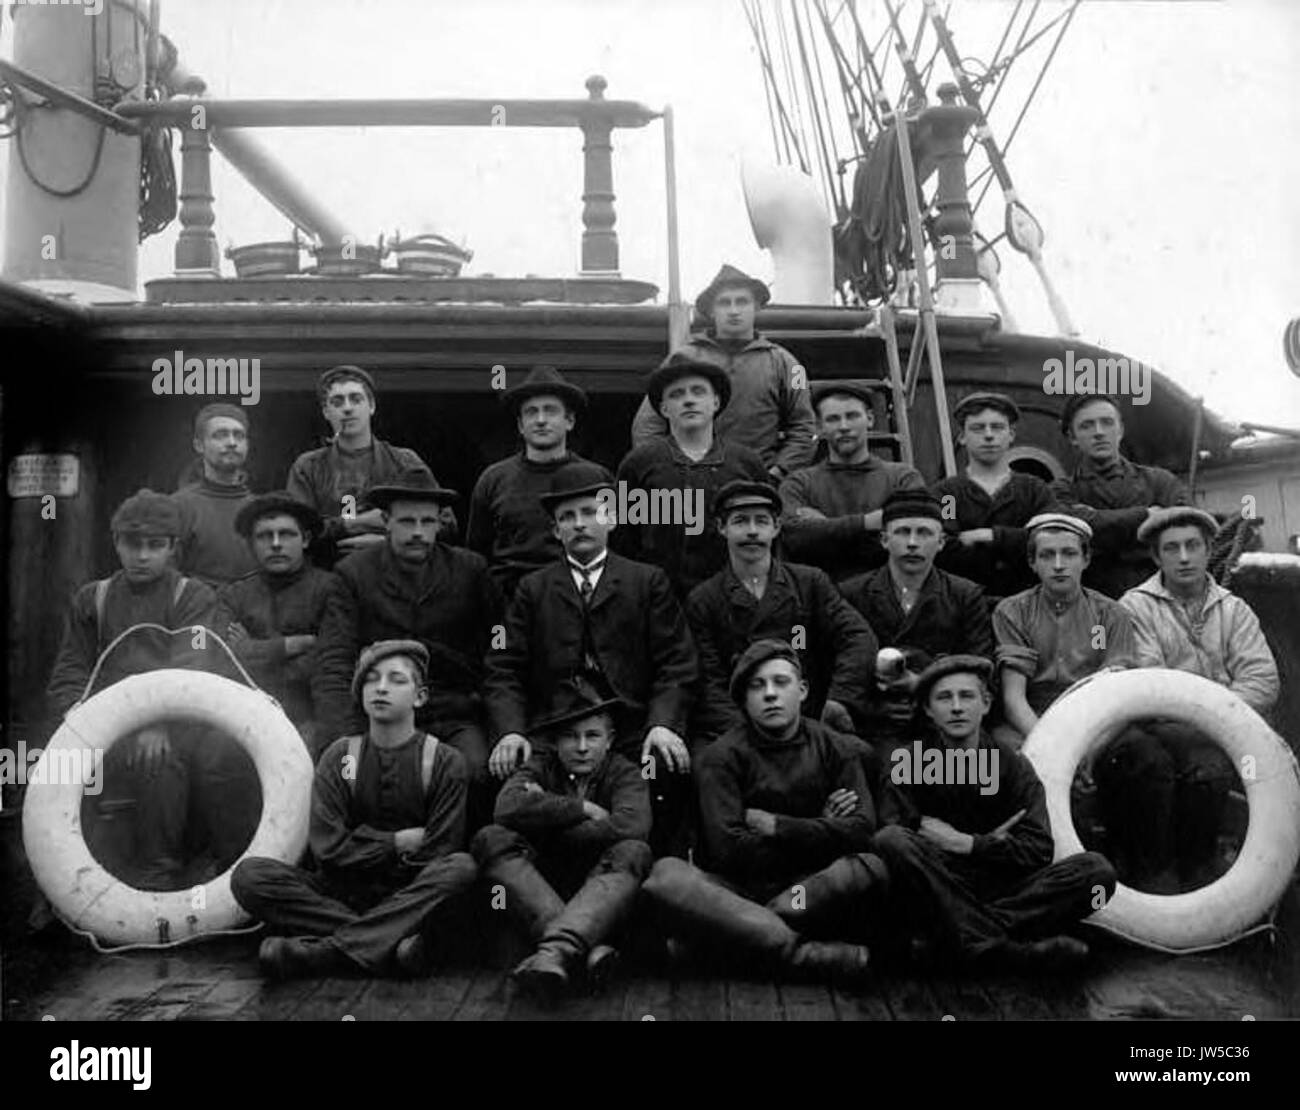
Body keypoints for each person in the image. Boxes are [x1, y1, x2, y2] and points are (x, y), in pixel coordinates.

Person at [232, 640, 477, 979]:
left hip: (412, 895)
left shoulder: (445, 762)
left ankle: (324, 953)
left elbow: (439, 852)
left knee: (460, 868)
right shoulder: (341, 758)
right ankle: (390, 943)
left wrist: (362, 846)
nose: (381, 688)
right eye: (371, 679)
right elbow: (328, 850)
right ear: (360, 693)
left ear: (419, 697)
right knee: (250, 877)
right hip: (343, 895)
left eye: (396, 680)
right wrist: (395, 843)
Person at [483, 471, 698, 855]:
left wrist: (662, 724)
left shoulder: (647, 582)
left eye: (590, 512)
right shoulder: (533, 589)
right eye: (567, 517)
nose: (579, 523)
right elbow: (504, 666)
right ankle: (548, 867)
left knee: (664, 767)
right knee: (509, 778)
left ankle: (653, 875)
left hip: (630, 729)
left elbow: (675, 662)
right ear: (555, 530)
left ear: (612, 518)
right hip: (552, 730)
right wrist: (511, 731)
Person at [642, 640, 881, 983]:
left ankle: (729, 941)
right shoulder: (719, 757)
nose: (770, 694)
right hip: (737, 893)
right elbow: (729, 852)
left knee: (868, 867)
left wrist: (780, 826)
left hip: (805, 893)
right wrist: (824, 828)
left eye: (780, 682)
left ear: (802, 690)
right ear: (743, 700)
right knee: (666, 876)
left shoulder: (836, 747)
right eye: (757, 686)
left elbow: (862, 830)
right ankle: (799, 953)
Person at [872, 655, 1117, 972]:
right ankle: (1007, 951)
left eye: (967, 696)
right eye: (944, 698)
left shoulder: (1011, 765)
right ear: (929, 711)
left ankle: (958, 939)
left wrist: (969, 844)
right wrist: (967, 847)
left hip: (1000, 886)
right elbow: (896, 835)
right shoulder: (907, 763)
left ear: (986, 704)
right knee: (891, 842)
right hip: (937, 886)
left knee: (1096, 872)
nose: (957, 707)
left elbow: (1040, 849)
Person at [45, 490, 225, 889]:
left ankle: (159, 870)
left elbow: (192, 668)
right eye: (133, 544)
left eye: (155, 546)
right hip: (101, 724)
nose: (143, 556)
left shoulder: (194, 597)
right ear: (116, 543)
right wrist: (83, 725)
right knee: (54, 763)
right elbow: (70, 672)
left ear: (173, 547)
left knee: (160, 760)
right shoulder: (92, 598)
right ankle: (63, 882)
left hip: (171, 724)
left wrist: (156, 724)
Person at [1098, 507, 1280, 891]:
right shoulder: (1134, 607)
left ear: (1208, 548)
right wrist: (1219, 703)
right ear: (1156, 556)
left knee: (1209, 768)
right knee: (1150, 764)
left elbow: (1262, 682)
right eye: (1172, 548)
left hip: (1218, 731)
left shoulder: (1234, 609)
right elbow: (1151, 686)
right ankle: (1155, 870)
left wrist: (1208, 714)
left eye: (1193, 546)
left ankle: (1199, 866)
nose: (1183, 557)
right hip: (1156, 728)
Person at [312, 472, 502, 822]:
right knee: (362, 780)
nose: (418, 532)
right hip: (376, 709)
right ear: (386, 521)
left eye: (427, 522)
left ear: (440, 523)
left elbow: (498, 646)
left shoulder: (470, 570)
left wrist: (497, 719)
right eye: (407, 521)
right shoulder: (352, 574)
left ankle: (460, 862)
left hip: (450, 710)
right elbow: (333, 661)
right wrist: (339, 743)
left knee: (474, 770)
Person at [471, 681, 652, 1001]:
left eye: (592, 736)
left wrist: (546, 821)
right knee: (491, 838)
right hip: (540, 888)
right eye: (570, 736)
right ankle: (583, 951)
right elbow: (506, 808)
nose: (581, 747)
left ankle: (554, 952)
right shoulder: (539, 767)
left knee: (634, 851)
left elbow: (633, 824)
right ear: (554, 742)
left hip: (600, 890)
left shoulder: (625, 773)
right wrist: (580, 808)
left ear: (609, 741)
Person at [686, 479, 877, 743]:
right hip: (740, 732)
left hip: (810, 720)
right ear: (722, 528)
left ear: (776, 528)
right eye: (741, 521)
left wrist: (838, 700)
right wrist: (745, 732)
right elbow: (708, 681)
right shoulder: (704, 600)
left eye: (761, 521)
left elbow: (858, 638)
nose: (752, 531)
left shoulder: (810, 583)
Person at [629, 264, 815, 479]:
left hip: (755, 486)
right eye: (724, 303)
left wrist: (778, 472)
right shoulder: (682, 358)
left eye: (742, 302)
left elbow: (805, 426)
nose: (734, 311)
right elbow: (647, 424)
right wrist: (664, 471)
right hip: (692, 481)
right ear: (711, 311)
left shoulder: (790, 365)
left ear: (756, 307)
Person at [839, 490, 993, 748]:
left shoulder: (965, 595)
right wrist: (873, 709)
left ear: (942, 542)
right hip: (872, 728)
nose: (912, 543)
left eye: (924, 533)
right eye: (902, 532)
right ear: (884, 539)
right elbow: (841, 667)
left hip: (946, 724)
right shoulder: (852, 594)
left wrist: (922, 685)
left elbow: (981, 667)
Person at [615, 352, 769, 596]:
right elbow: (623, 541)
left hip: (731, 599)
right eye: (677, 394)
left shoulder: (746, 463)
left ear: (716, 402)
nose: (688, 401)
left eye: (698, 392)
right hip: (659, 599)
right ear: (664, 408)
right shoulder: (640, 464)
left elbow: (767, 536)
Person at [465, 365, 614, 601]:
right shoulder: (494, 479)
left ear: (570, 421)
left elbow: (616, 548)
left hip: (578, 600)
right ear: (520, 425)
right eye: (531, 412)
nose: (541, 420)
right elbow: (477, 552)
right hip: (511, 603)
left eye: (551, 411)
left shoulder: (598, 479)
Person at [214, 492, 343, 756]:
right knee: (211, 761)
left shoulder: (331, 590)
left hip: (310, 715)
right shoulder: (233, 595)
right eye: (264, 536)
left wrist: (251, 648)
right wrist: (288, 646)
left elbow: (331, 663)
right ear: (251, 544)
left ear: (305, 540)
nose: (275, 544)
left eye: (286, 534)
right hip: (245, 715)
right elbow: (221, 659)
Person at [287, 365, 456, 564]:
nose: (347, 408)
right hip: (331, 578)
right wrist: (354, 524)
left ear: (372, 406)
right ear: (326, 411)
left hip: (393, 574)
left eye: (356, 399)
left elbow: (447, 524)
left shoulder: (404, 461)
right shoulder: (308, 467)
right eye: (337, 402)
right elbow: (294, 532)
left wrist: (390, 541)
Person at [992, 514, 1136, 746]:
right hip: (1032, 716)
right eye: (1047, 555)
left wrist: (1083, 746)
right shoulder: (1013, 612)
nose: (1058, 565)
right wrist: (1052, 744)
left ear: (1086, 559)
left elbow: (1113, 694)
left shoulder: (1109, 614)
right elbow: (1014, 699)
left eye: (1069, 554)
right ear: (1032, 562)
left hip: (1092, 715)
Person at [779, 383, 926, 580]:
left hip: (885, 595)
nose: (844, 427)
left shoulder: (903, 477)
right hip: (818, 598)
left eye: (852, 416)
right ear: (820, 427)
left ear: (870, 419)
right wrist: (867, 523)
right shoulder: (798, 483)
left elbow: (912, 537)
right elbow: (792, 539)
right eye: (833, 419)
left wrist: (824, 529)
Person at [1050, 394, 1190, 598]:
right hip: (1093, 601)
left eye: (1107, 423)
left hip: (1158, 598)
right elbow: (1076, 529)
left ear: (1120, 430)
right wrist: (1145, 516)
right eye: (1087, 426)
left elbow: (1183, 526)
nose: (1099, 432)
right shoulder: (1061, 491)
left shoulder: (1160, 481)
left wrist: (1101, 525)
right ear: (1072, 437)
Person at [931, 391, 1057, 601]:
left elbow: (1049, 537)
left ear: (1011, 435)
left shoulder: (1034, 490)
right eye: (978, 428)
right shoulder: (949, 496)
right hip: (966, 607)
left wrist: (992, 537)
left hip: (1029, 603)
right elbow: (946, 545)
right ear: (962, 437)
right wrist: (1018, 542)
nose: (988, 435)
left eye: (997, 427)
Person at [173, 403, 257, 588]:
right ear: (199, 445)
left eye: (239, 435)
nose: (232, 442)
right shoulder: (178, 506)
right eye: (220, 435)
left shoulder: (259, 509)